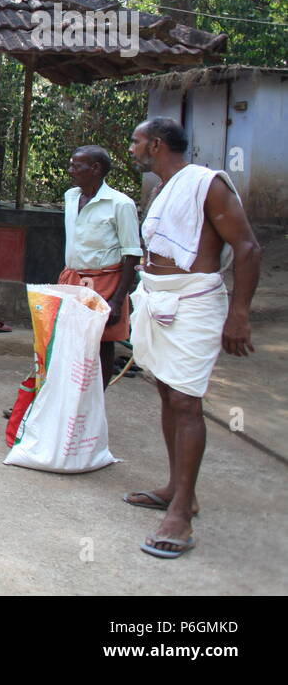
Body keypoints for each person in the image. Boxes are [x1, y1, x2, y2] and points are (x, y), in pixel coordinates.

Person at [125, 117, 261, 559]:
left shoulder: (208, 183)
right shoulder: (166, 187)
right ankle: (176, 489)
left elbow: (247, 248)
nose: (131, 148)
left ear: (157, 145)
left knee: (186, 401)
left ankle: (181, 512)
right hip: (160, 298)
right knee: (167, 391)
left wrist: (239, 313)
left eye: (137, 141)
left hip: (195, 302)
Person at [58, 145, 141, 388]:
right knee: (66, 341)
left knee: (101, 342)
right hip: (72, 278)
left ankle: (94, 402)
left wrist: (117, 300)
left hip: (104, 282)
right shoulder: (71, 197)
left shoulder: (120, 204)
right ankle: (65, 399)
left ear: (95, 169)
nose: (70, 170)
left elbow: (132, 254)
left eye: (76, 165)